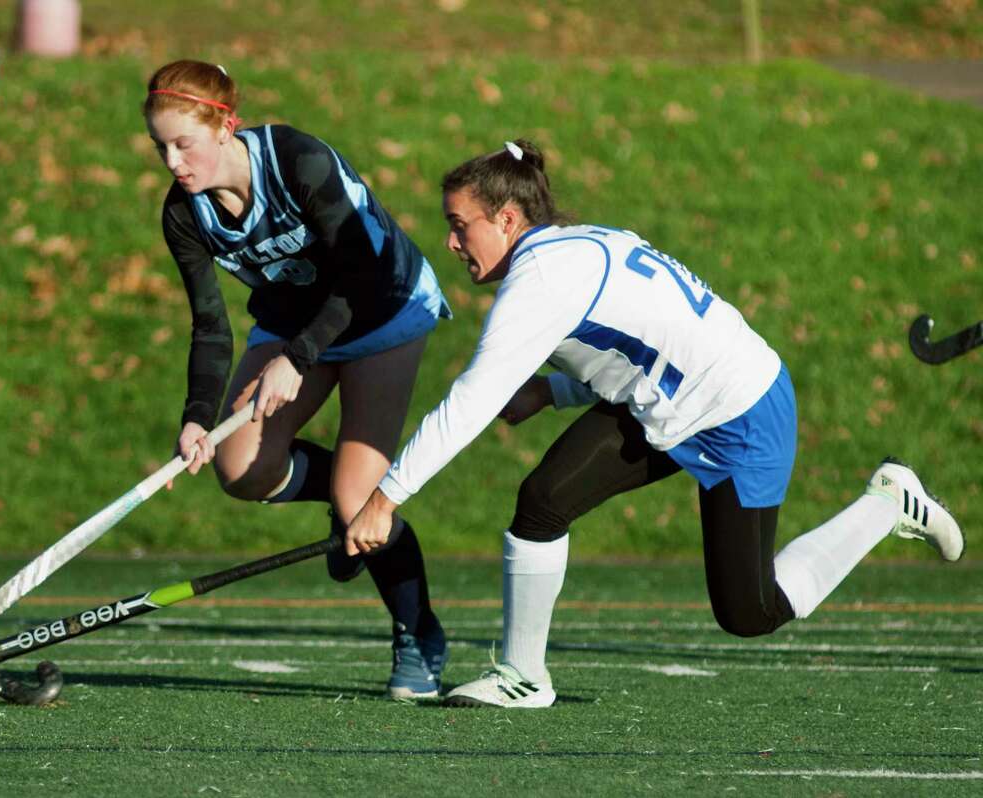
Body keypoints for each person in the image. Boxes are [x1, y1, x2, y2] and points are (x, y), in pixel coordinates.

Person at [345, 139, 964, 708]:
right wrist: (553, 391)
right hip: (673, 401)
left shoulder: (538, 281)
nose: (451, 242)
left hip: (741, 410)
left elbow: (469, 403)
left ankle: (888, 501)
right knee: (542, 502)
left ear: (506, 220)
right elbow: (641, 348)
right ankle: (523, 676)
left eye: (460, 226)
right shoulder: (577, 243)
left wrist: (385, 498)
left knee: (750, 611)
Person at [144, 60, 451, 699]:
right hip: (291, 324)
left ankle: (417, 630)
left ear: (226, 127)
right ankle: (342, 496)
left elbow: (360, 273)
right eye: (161, 147)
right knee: (241, 470)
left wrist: (301, 356)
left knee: (358, 501)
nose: (173, 162)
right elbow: (210, 325)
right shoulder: (185, 215)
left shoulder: (297, 161)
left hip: (383, 306)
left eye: (184, 144)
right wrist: (197, 415)